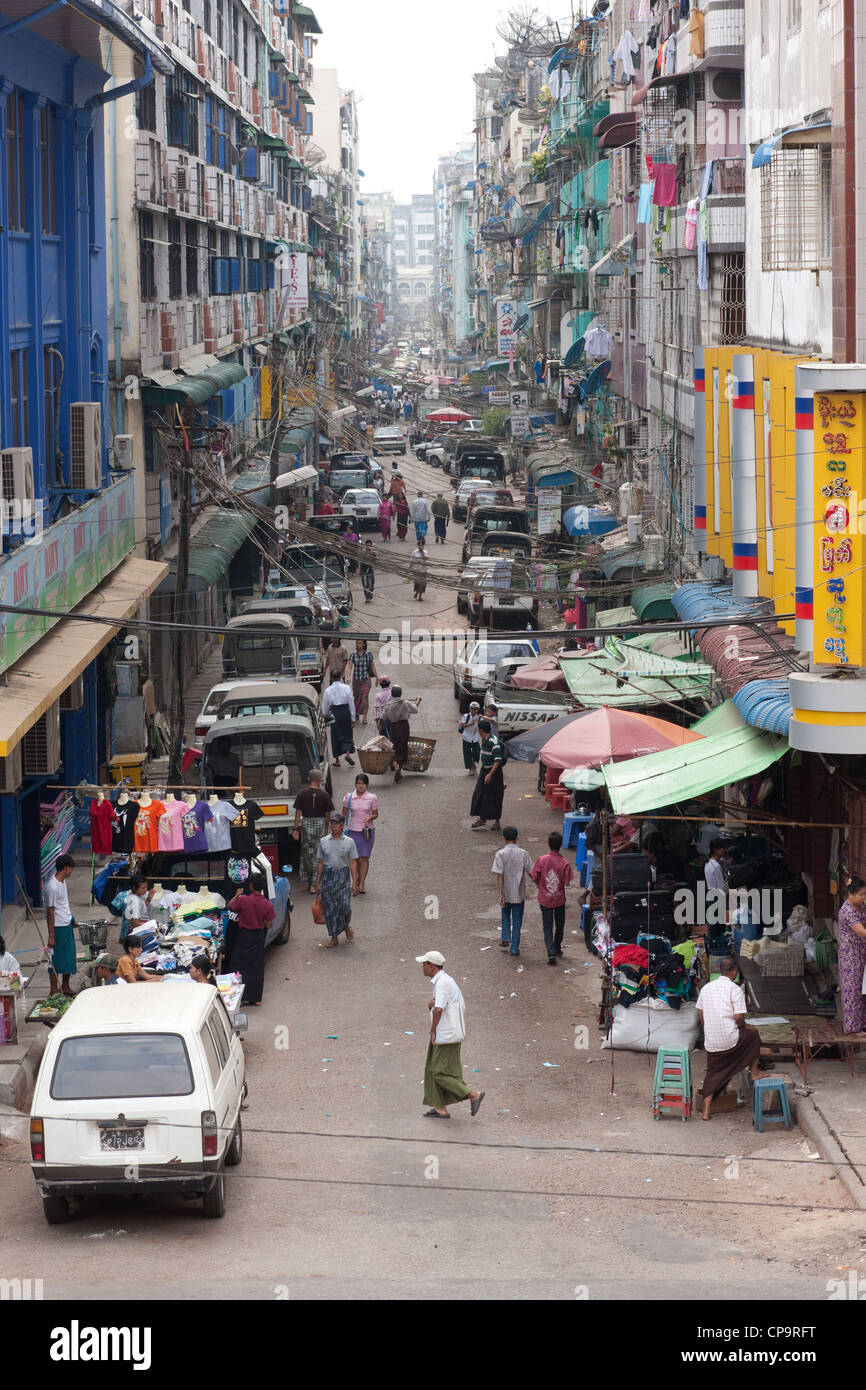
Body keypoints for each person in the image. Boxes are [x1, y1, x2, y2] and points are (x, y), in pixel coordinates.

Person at [416, 950, 484, 1119]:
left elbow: (439, 1009)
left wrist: (432, 1030)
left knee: (439, 1072)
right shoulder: (444, 981)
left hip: (445, 1035)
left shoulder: (442, 983)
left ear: (432, 966)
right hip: (447, 1033)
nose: (422, 968)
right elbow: (440, 1004)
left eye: (424, 965)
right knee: (434, 1068)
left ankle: (472, 1094)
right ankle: (440, 1108)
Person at [696, 957, 763, 1120]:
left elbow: (700, 1012)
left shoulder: (706, 988)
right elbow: (739, 1017)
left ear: (720, 970)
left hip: (711, 1042)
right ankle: (754, 1072)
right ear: (734, 972)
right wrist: (744, 1026)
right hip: (730, 1041)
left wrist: (708, 1027)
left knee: (711, 1073)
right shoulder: (735, 989)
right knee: (754, 1036)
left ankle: (706, 1112)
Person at [227, 876, 274, 1006]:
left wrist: (237, 895)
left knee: (238, 965)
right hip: (258, 936)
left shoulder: (243, 900)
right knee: (256, 966)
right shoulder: (267, 904)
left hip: (244, 936)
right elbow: (269, 925)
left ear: (251, 886)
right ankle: (256, 998)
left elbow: (230, 907)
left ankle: (240, 998)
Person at [314, 812, 359, 948]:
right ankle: (334, 937)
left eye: (336, 824)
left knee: (345, 906)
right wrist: (318, 883)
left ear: (342, 825)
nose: (333, 826)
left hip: (343, 877)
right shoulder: (323, 841)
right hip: (328, 877)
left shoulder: (349, 842)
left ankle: (345, 925)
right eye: (332, 823)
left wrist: (355, 883)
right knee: (330, 908)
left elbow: (352, 863)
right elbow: (321, 863)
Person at [531, 832, 574, 966]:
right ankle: (557, 948)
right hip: (559, 899)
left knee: (547, 926)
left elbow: (534, 876)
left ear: (548, 844)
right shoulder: (564, 863)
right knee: (559, 925)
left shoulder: (541, 860)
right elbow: (567, 883)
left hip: (544, 899)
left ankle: (551, 952)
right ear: (561, 845)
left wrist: (540, 884)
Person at [292, 769, 334, 893]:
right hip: (320, 824)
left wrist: (295, 828)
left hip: (306, 824)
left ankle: (310, 880)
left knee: (307, 853)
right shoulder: (324, 795)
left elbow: (298, 812)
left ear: (309, 779)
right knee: (319, 854)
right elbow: (327, 814)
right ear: (320, 780)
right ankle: (315, 883)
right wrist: (327, 828)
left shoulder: (302, 793)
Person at [493, 827, 533, 957]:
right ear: (517, 838)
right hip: (519, 893)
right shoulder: (523, 853)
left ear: (503, 839)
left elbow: (499, 875)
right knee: (517, 921)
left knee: (505, 913)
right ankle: (514, 948)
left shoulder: (500, 854)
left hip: (506, 891)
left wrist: (500, 893)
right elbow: (531, 871)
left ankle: (505, 937)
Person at [44, 854, 77, 997]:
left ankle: (65, 985)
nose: (72, 872)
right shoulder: (52, 886)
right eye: (71, 869)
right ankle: (54, 989)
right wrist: (51, 935)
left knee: (69, 956)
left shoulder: (63, 881)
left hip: (66, 922)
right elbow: (50, 912)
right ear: (66, 868)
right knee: (56, 958)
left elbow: (63, 904)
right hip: (57, 927)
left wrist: (71, 918)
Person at [837, 876, 866, 1033]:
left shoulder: (860, 908)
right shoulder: (847, 911)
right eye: (861, 894)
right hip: (851, 955)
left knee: (862, 990)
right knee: (852, 990)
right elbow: (862, 932)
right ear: (851, 894)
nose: (863, 897)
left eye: (864, 894)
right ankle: (852, 1027)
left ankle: (861, 1024)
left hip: (861, 953)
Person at [342, 773, 379, 893]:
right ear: (355, 784)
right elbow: (343, 814)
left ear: (367, 785)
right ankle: (355, 881)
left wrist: (370, 818)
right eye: (358, 783)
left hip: (366, 832)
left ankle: (362, 883)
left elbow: (375, 814)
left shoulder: (372, 798)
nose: (360, 786)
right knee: (354, 859)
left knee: (364, 858)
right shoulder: (349, 797)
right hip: (352, 832)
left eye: (363, 784)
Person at [470, 718, 505, 831]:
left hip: (493, 773)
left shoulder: (493, 742)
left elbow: (498, 760)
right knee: (480, 794)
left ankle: (497, 822)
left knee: (495, 797)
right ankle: (483, 818)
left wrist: (490, 775)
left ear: (480, 730)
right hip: (485, 770)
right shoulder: (485, 740)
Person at [384, 685, 420, 782]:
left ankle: (396, 768)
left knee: (395, 747)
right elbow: (415, 710)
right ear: (401, 693)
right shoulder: (406, 703)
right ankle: (398, 770)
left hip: (394, 727)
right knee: (403, 746)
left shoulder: (388, 704)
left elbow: (383, 717)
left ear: (392, 694)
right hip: (404, 727)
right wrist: (417, 702)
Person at [321, 676, 356, 767]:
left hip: (335, 712)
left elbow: (325, 706)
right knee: (347, 734)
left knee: (335, 735)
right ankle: (347, 753)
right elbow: (351, 703)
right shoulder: (346, 688)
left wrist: (325, 716)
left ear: (332, 678)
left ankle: (337, 760)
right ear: (340, 677)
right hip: (345, 712)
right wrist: (353, 718)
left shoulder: (328, 690)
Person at [347, 639, 377, 722]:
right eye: (357, 643)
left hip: (366, 680)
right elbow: (349, 667)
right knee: (356, 698)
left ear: (364, 644)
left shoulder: (368, 654)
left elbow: (373, 667)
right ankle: (356, 713)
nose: (358, 644)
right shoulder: (353, 655)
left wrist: (377, 678)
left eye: (360, 643)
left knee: (364, 698)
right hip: (356, 680)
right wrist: (348, 677)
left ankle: (364, 716)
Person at [122, 874, 154, 941]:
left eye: (146, 887)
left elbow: (141, 909)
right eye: (143, 888)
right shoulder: (135, 901)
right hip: (137, 933)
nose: (145, 890)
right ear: (134, 887)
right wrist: (151, 925)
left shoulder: (136, 896)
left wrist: (148, 898)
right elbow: (135, 923)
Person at [458, 701, 481, 774]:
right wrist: (469, 724)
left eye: (475, 709)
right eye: (472, 709)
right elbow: (462, 725)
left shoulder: (478, 717)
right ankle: (470, 769)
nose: (474, 710)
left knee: (477, 751)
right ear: (470, 709)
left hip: (475, 737)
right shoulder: (466, 716)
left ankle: (473, 762)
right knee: (467, 754)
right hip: (466, 737)